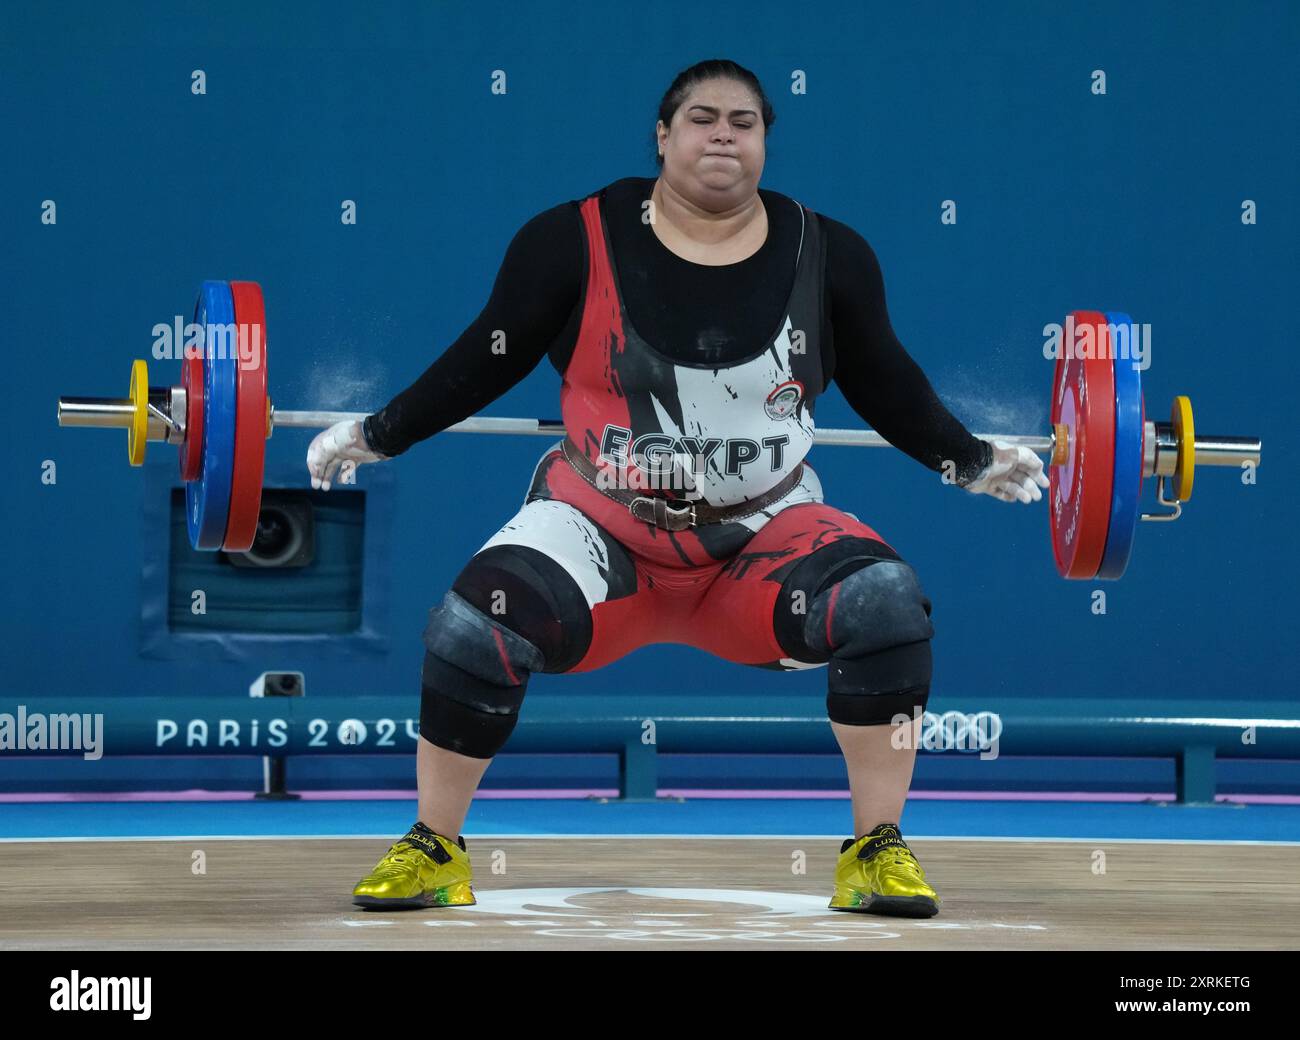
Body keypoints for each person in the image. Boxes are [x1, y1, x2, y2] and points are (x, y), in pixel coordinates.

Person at [307, 59, 1047, 918]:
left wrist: (970, 460)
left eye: (744, 121)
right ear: (663, 135)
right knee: (476, 625)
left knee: (886, 603)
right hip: (599, 536)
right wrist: (378, 434)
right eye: (702, 118)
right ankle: (435, 846)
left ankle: (876, 850)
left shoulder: (829, 254)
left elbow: (887, 384)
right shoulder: (570, 238)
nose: (723, 134)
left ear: (766, 140)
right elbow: (488, 357)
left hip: (760, 544)